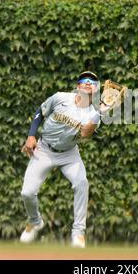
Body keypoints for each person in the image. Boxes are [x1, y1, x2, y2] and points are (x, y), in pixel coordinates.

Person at [19, 71, 107, 248]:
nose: (88, 83)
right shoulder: (60, 97)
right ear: (78, 86)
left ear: (96, 89)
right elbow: (40, 112)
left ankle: (79, 233)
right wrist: (31, 136)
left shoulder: (93, 113)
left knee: (81, 183)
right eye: (84, 80)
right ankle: (35, 222)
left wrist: (102, 112)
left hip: (69, 153)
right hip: (44, 149)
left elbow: (85, 133)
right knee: (27, 193)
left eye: (92, 81)